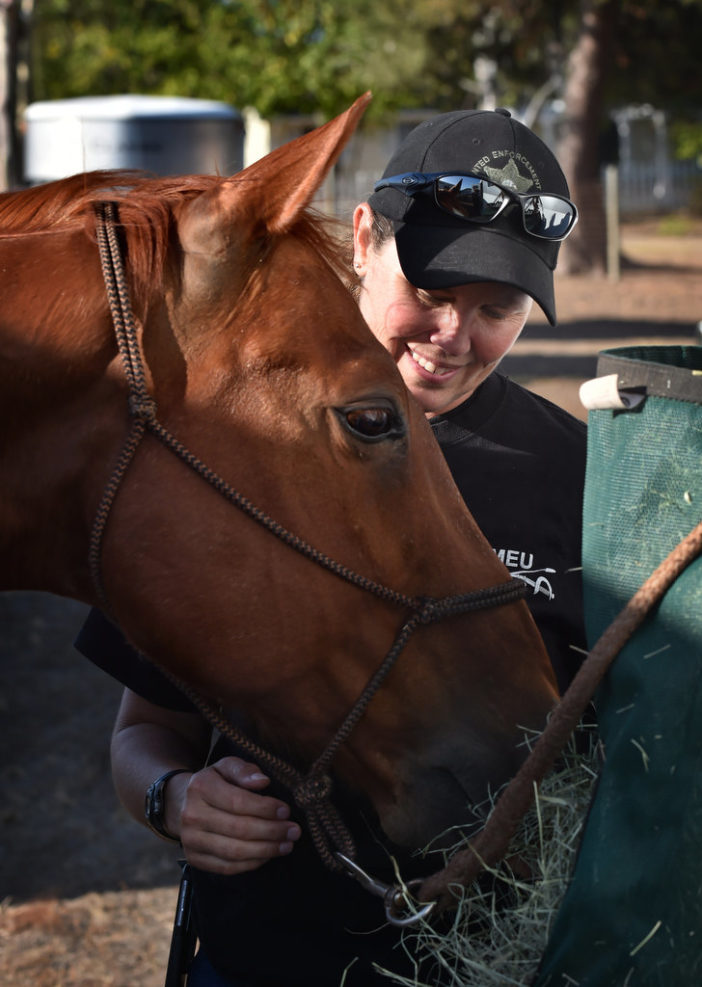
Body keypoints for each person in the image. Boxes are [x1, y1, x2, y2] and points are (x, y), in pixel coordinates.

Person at [75, 107, 587, 986]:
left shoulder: (575, 473)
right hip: (262, 959)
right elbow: (144, 733)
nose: (454, 336)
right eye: (429, 291)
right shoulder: (227, 440)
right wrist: (177, 798)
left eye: (497, 307)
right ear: (362, 238)